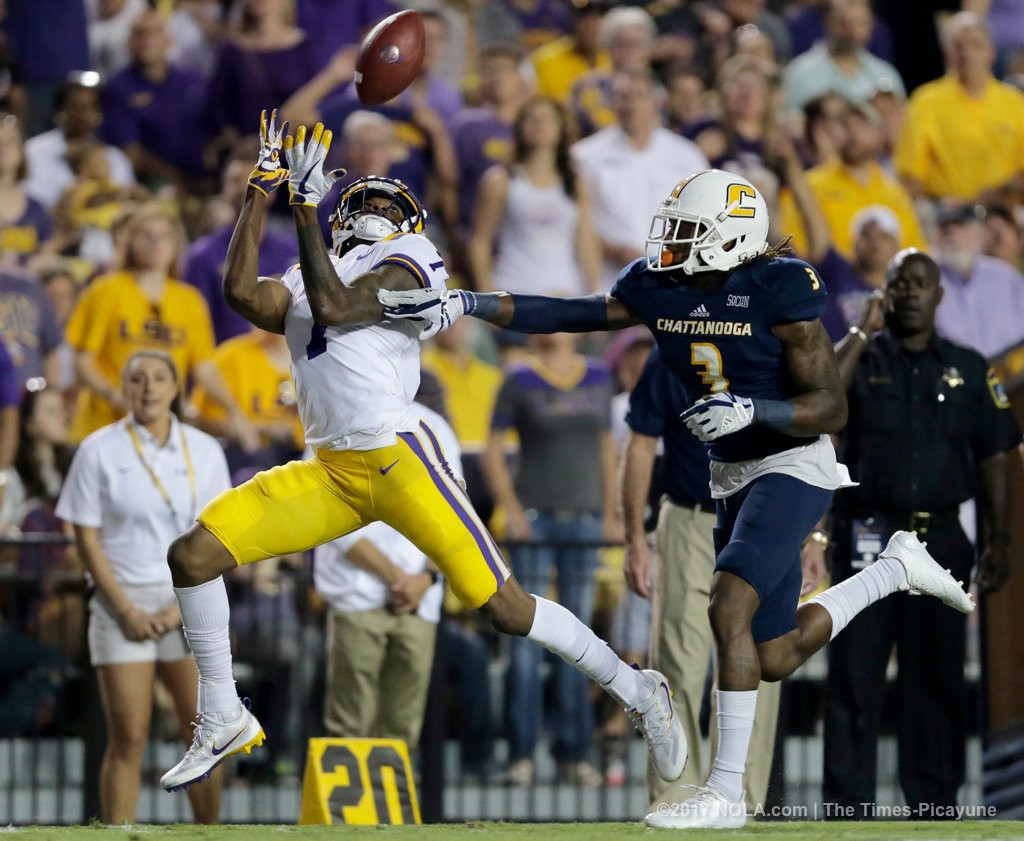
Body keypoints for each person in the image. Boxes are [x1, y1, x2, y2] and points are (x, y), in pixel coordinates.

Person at [380, 167, 978, 828]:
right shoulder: (657, 283)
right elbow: (578, 312)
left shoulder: (780, 286)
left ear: (730, 237)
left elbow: (830, 407)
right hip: (730, 474)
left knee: (729, 605)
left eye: (689, 232)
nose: (669, 243)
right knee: (773, 653)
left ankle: (724, 791)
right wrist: (470, 302)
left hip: (793, 461)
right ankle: (894, 569)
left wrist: (755, 408)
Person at [157, 111, 685, 793]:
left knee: (506, 608)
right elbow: (238, 292)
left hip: (396, 458)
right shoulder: (303, 265)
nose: (375, 208)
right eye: (365, 200)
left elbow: (340, 306)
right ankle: (223, 712)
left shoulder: (413, 257)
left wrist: (307, 208)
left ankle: (638, 689)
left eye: (386, 202)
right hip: (331, 472)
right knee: (192, 555)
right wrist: (261, 189)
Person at [822, 248, 1021, 818]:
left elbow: (995, 455)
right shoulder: (859, 358)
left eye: (919, 283)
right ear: (882, 292)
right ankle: (846, 812)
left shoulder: (969, 365)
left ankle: (934, 810)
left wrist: (999, 539)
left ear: (939, 294)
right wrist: (861, 328)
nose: (908, 291)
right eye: (897, 283)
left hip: (941, 543)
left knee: (935, 682)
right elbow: (826, 399)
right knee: (853, 679)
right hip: (868, 542)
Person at [55, 350, 230, 824]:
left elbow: (221, 535)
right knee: (127, 737)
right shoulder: (97, 448)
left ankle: (208, 835)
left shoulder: (206, 450)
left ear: (176, 388)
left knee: (204, 735)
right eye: (137, 379)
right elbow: (85, 537)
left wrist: (178, 610)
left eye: (158, 379)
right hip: (120, 604)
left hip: (189, 605)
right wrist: (126, 609)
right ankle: (116, 835)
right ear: (124, 388)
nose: (148, 388)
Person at [622, 346, 780, 813]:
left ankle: (740, 804)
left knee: (759, 664)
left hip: (764, 516)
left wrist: (812, 534)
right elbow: (639, 441)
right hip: (692, 517)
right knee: (678, 666)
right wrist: (635, 537)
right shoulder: (671, 353)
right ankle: (676, 802)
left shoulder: (778, 342)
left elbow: (813, 435)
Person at [483, 330, 618, 787]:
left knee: (579, 639)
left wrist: (612, 512)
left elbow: (606, 447)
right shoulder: (517, 378)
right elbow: (492, 449)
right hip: (534, 520)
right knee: (525, 637)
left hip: (584, 518)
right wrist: (511, 509)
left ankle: (574, 754)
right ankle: (521, 755)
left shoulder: (599, 376)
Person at [313, 400, 453, 751]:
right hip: (358, 594)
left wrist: (425, 579)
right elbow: (325, 515)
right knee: (348, 728)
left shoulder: (436, 427)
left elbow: (457, 513)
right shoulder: (334, 419)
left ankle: (393, 807)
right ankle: (347, 809)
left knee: (404, 731)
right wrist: (401, 577)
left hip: (419, 599)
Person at [468, 95, 600, 296]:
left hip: (565, 293)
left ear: (561, 128)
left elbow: (586, 240)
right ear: (520, 127)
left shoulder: (575, 182)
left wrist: (593, 295)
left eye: (547, 118)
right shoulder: (501, 180)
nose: (539, 124)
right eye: (531, 118)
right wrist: (486, 293)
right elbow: (480, 240)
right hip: (513, 292)